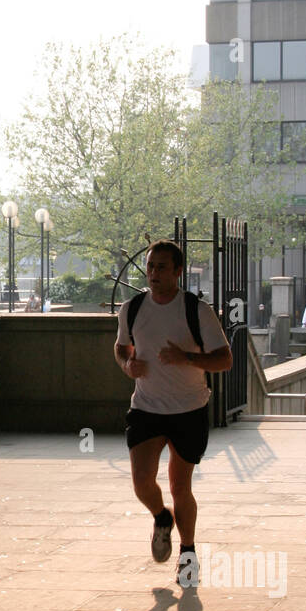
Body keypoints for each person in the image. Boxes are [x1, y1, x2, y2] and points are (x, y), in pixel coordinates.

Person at [114, 240, 232, 589]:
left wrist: (188, 358)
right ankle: (160, 517)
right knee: (141, 482)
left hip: (188, 409)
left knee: (181, 485)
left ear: (178, 271)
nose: (154, 274)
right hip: (146, 407)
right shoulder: (132, 308)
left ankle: (188, 553)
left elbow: (224, 359)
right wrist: (126, 363)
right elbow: (122, 346)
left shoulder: (197, 311)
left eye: (162, 267)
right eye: (151, 267)